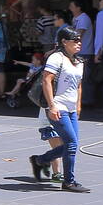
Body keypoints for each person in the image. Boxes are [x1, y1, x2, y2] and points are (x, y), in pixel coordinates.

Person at [30, 25, 89, 192]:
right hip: (58, 106)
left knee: (73, 144)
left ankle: (41, 160)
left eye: (80, 40)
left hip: (71, 108)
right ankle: (69, 181)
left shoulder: (79, 61)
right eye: (75, 40)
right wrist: (51, 105)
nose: (79, 43)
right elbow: (47, 81)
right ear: (64, 42)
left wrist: (78, 105)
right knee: (70, 144)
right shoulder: (56, 58)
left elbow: (78, 84)